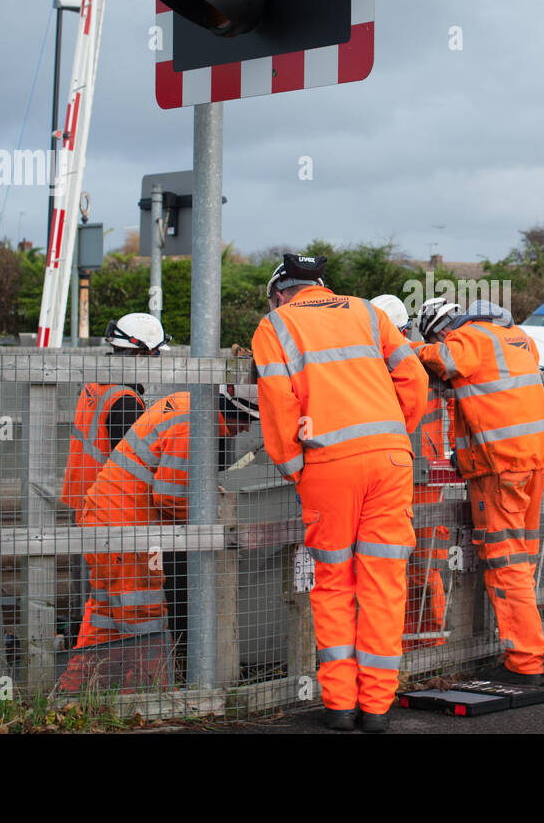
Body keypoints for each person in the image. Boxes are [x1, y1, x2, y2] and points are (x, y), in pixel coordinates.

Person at [253, 256, 427, 733]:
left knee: (333, 584)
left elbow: (277, 400)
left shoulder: (276, 325)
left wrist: (294, 466)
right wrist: (395, 433)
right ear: (321, 284)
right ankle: (376, 708)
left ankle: (340, 706)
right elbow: (416, 379)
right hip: (391, 461)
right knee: (384, 582)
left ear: (281, 292)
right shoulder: (369, 312)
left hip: (328, 466)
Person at [56, 384, 256, 693]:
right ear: (233, 414)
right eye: (245, 422)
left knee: (105, 614)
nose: (243, 431)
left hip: (111, 519)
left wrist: (199, 491)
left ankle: (75, 691)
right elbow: (168, 498)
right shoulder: (193, 429)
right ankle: (153, 695)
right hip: (127, 529)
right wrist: (207, 516)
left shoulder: (188, 405)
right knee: (145, 611)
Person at [415, 298, 544, 685]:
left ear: (443, 330)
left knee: (504, 561)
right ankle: (532, 648)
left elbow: (440, 360)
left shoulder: (468, 338)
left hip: (501, 468)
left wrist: (400, 348)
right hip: (534, 462)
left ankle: (527, 663)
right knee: (522, 559)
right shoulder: (517, 338)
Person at [60, 313, 170, 649]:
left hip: (86, 504)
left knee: (99, 601)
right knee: (126, 603)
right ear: (141, 354)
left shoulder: (97, 384)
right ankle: (132, 668)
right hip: (113, 515)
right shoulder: (126, 401)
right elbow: (138, 465)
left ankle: (89, 670)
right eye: (156, 356)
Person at [372, 294, 449, 652]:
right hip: (414, 470)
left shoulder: (390, 356)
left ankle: (414, 640)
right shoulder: (415, 355)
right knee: (419, 561)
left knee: (400, 562)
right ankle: (419, 640)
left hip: (403, 471)